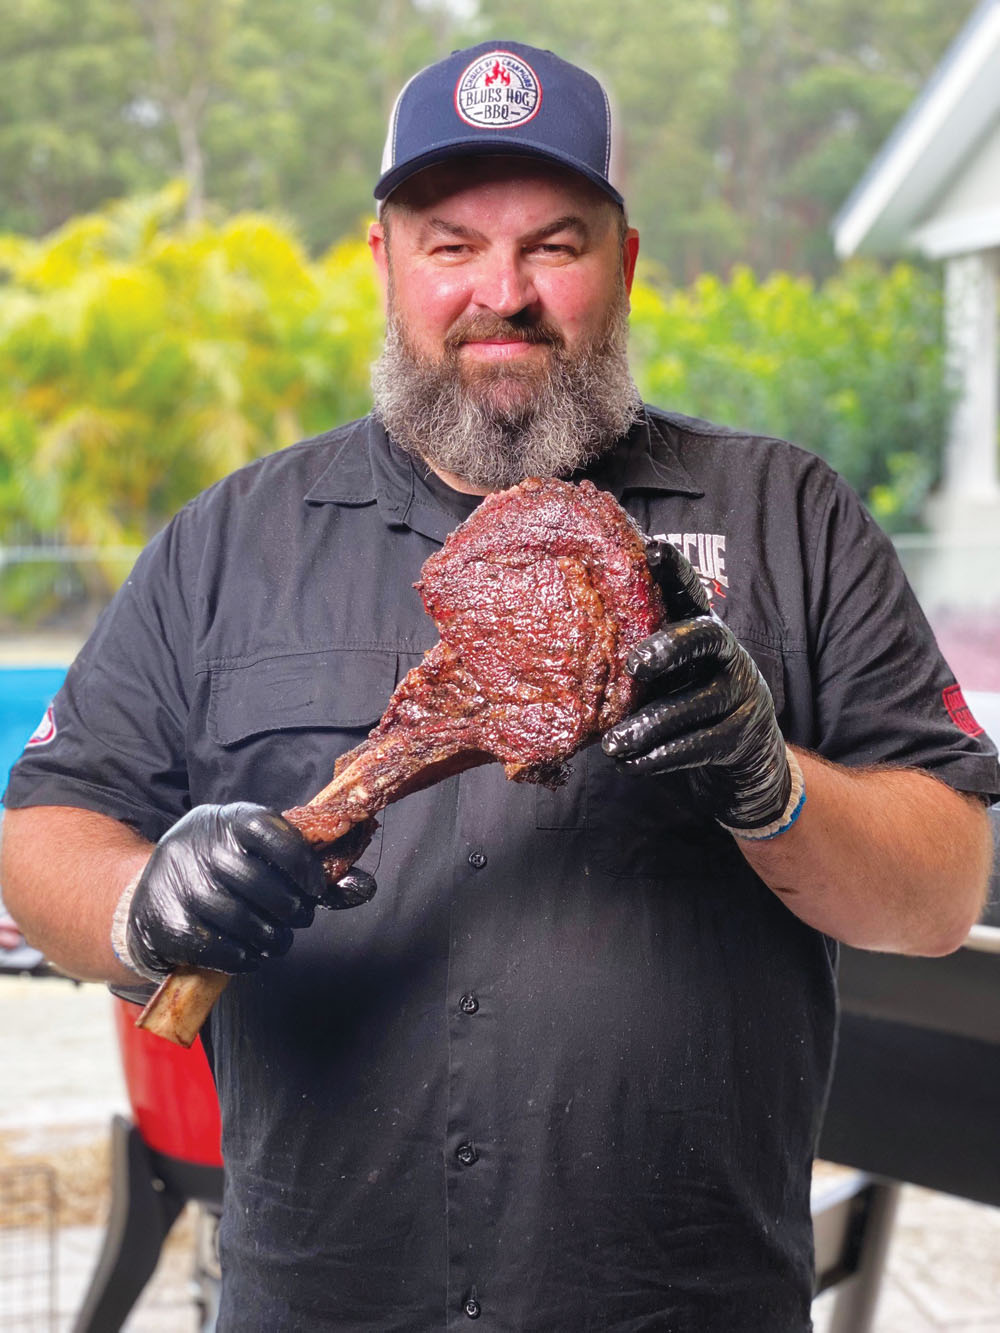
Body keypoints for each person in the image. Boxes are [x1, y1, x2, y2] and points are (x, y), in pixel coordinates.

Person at [2, 39, 997, 1332]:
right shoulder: (230, 540)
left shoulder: (787, 516)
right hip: (320, 1304)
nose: (503, 293)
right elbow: (41, 832)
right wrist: (143, 903)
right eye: (452, 243)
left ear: (625, 266)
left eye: (556, 245)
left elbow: (944, 889)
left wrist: (772, 784)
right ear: (384, 263)